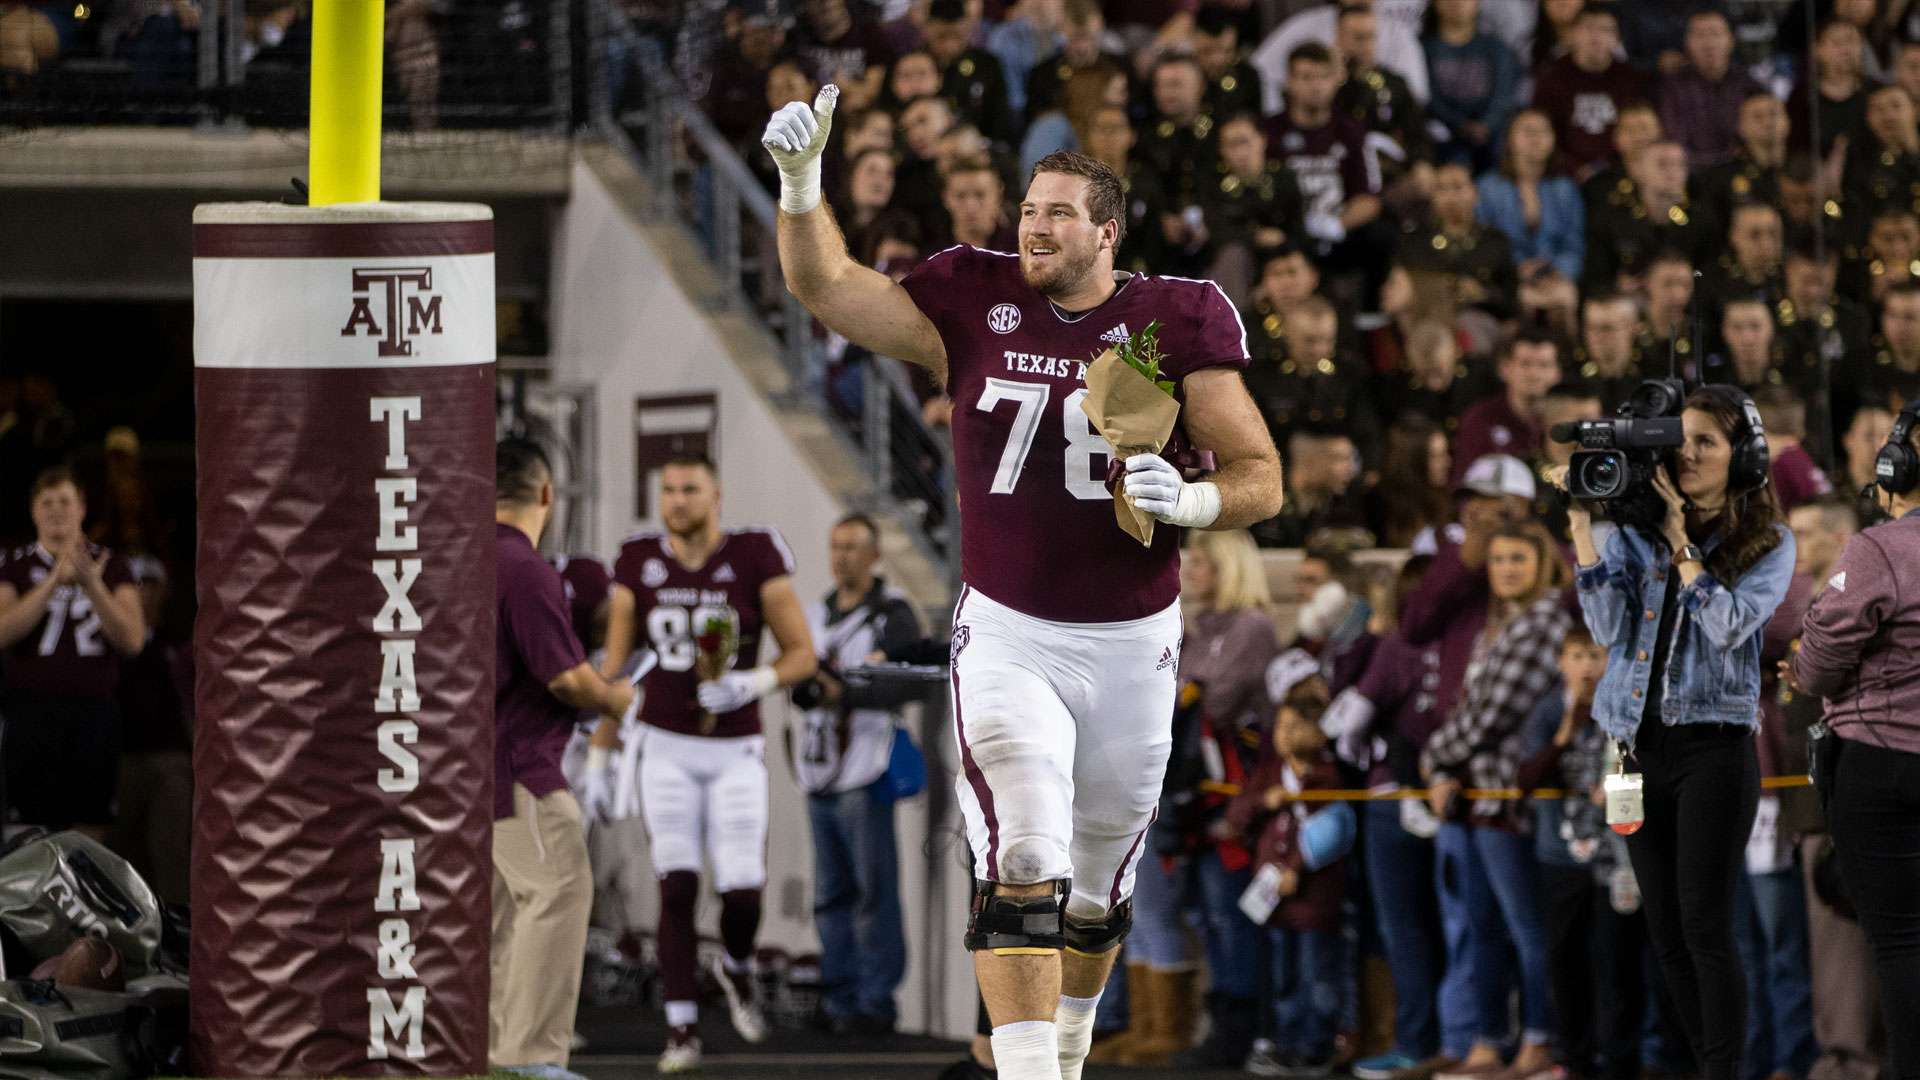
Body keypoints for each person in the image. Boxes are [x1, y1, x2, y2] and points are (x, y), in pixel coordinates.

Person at [767, 84, 1286, 1080]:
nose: (1033, 227)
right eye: (1027, 209)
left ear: (1107, 232)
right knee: (1022, 855)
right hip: (1009, 629)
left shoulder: (1176, 318)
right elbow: (826, 286)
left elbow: (1262, 476)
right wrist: (800, 183)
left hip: (1134, 640)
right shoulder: (971, 294)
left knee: (1096, 889)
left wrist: (1192, 504)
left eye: (1057, 213)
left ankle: (1070, 1048)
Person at [1555, 385, 1797, 1080]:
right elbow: (1604, 631)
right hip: (1635, 748)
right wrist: (1583, 527)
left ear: (1744, 458)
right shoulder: (1633, 530)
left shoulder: (1767, 542)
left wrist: (1683, 546)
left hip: (1713, 751)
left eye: (1707, 443)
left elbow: (1727, 628)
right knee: (1666, 937)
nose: (1686, 454)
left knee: (1706, 929)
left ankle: (1726, 1071)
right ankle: (1709, 1066)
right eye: (1681, 439)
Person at [598, 450, 818, 1073]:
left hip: (735, 746)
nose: (677, 501)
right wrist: (600, 753)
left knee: (743, 892)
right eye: (668, 490)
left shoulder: (753, 555)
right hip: (664, 743)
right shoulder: (637, 561)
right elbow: (615, 670)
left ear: (716, 494)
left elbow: (802, 653)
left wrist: (755, 682)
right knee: (677, 882)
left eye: (689, 489)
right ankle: (682, 1030)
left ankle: (737, 966)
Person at [1784, 398, 1920, 1080]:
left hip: (1880, 764)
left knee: (1898, 944)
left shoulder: (1878, 547)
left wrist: (1807, 669)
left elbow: (1821, 654)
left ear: (1896, 466)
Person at [490, 439, 633, 1080]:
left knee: (503, 915)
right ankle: (531, 1058)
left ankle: (493, 1054)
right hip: (517, 765)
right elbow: (569, 681)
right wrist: (618, 699)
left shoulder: (456, 559)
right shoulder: (522, 567)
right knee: (560, 887)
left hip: (460, 767)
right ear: (546, 493)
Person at [1421, 519, 1571, 1080]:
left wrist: (1436, 759)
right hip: (1474, 798)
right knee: (1482, 925)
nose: (1507, 569)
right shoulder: (1497, 624)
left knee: (1525, 927)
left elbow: (1491, 715)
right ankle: (1487, 1042)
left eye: (1519, 560)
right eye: (1500, 559)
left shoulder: (1543, 623)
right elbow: (1467, 710)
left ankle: (1538, 1041)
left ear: (1543, 566)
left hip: (1510, 802)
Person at [793, 513, 922, 1034]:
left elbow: (912, 680)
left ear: (875, 556)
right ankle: (840, 996)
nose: (842, 556)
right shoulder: (815, 614)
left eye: (852, 547)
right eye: (835, 546)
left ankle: (875, 999)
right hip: (820, 766)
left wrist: (845, 691)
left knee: (873, 891)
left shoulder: (892, 615)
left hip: (865, 766)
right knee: (829, 893)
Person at [1162, 528, 1280, 1069]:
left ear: (1229, 567)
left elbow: (1218, 699)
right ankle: (1225, 1025)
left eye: (1202, 562)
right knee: (1206, 914)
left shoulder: (1251, 626)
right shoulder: (1195, 627)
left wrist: (1183, 684)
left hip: (1236, 794)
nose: (1189, 571)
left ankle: (1243, 1030)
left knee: (1230, 914)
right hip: (1194, 793)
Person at [1516, 623, 1648, 1080]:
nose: (1587, 666)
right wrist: (1562, 736)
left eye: (1595, 655)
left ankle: (1621, 1063)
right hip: (1560, 856)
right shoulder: (1550, 711)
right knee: (1565, 961)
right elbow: (1525, 780)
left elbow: (1640, 768)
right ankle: (1573, 1060)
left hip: (1617, 864)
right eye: (1576, 655)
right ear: (1560, 663)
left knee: (1617, 964)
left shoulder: (1627, 707)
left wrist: (1615, 793)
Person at [0, 466, 144, 840]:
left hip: (93, 715)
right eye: (46, 502)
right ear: (33, 511)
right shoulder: (14, 565)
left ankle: (85, 900)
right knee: (26, 829)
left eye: (65, 500)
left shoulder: (113, 565)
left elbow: (133, 641)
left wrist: (92, 584)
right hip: (30, 713)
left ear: (82, 507)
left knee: (90, 828)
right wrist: (53, 581)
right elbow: (2, 632)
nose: (56, 509)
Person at [1226, 686, 1349, 1078]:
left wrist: (1295, 867)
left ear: (1321, 731)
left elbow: (1330, 831)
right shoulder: (1266, 775)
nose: (1284, 734)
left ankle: (1317, 1044)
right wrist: (1265, 802)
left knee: (1318, 975)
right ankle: (1288, 1042)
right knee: (1285, 975)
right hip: (1275, 903)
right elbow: (1237, 813)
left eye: (1296, 726)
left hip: (1315, 900)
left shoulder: (1328, 777)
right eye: (1279, 725)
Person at [1452, 325, 1561, 481]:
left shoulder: (1564, 424)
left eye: (1543, 365)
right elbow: (1465, 492)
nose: (1534, 374)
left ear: (1557, 373)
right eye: (1525, 363)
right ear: (1505, 368)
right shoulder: (1478, 421)